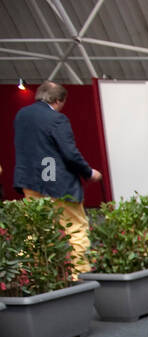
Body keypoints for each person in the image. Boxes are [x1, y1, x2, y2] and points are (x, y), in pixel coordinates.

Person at [13, 82, 103, 275]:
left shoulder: (21, 115)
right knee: (75, 227)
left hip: (29, 181)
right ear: (57, 100)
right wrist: (88, 172)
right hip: (57, 183)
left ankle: (38, 273)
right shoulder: (57, 119)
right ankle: (79, 273)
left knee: (38, 228)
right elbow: (69, 153)